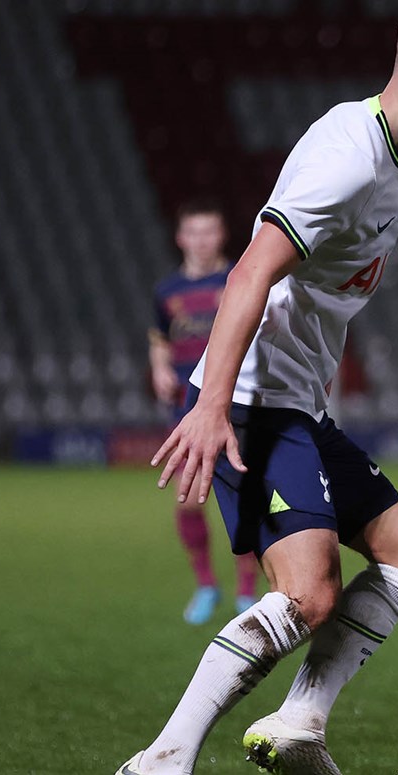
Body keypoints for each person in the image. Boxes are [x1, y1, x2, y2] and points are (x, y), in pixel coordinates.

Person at [116, 2, 398, 773]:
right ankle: (160, 760)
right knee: (309, 593)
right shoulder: (348, 154)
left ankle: (299, 721)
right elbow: (251, 271)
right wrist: (212, 407)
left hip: (296, 401)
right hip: (253, 401)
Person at [149, 200, 261, 624]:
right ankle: (206, 585)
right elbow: (160, 338)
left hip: (235, 402)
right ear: (181, 238)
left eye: (208, 231)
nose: (201, 240)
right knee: (191, 499)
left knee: (243, 497)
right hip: (187, 408)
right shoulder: (167, 291)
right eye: (193, 232)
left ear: (221, 235)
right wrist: (160, 368)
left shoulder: (239, 279)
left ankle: (246, 590)